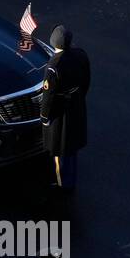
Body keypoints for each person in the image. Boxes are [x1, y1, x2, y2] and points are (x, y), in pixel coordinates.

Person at [40, 25, 89, 189]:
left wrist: (44, 117)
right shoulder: (81, 55)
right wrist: (79, 97)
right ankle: (70, 177)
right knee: (72, 145)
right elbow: (86, 80)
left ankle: (62, 182)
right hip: (76, 104)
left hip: (61, 112)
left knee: (59, 149)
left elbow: (48, 97)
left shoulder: (53, 66)